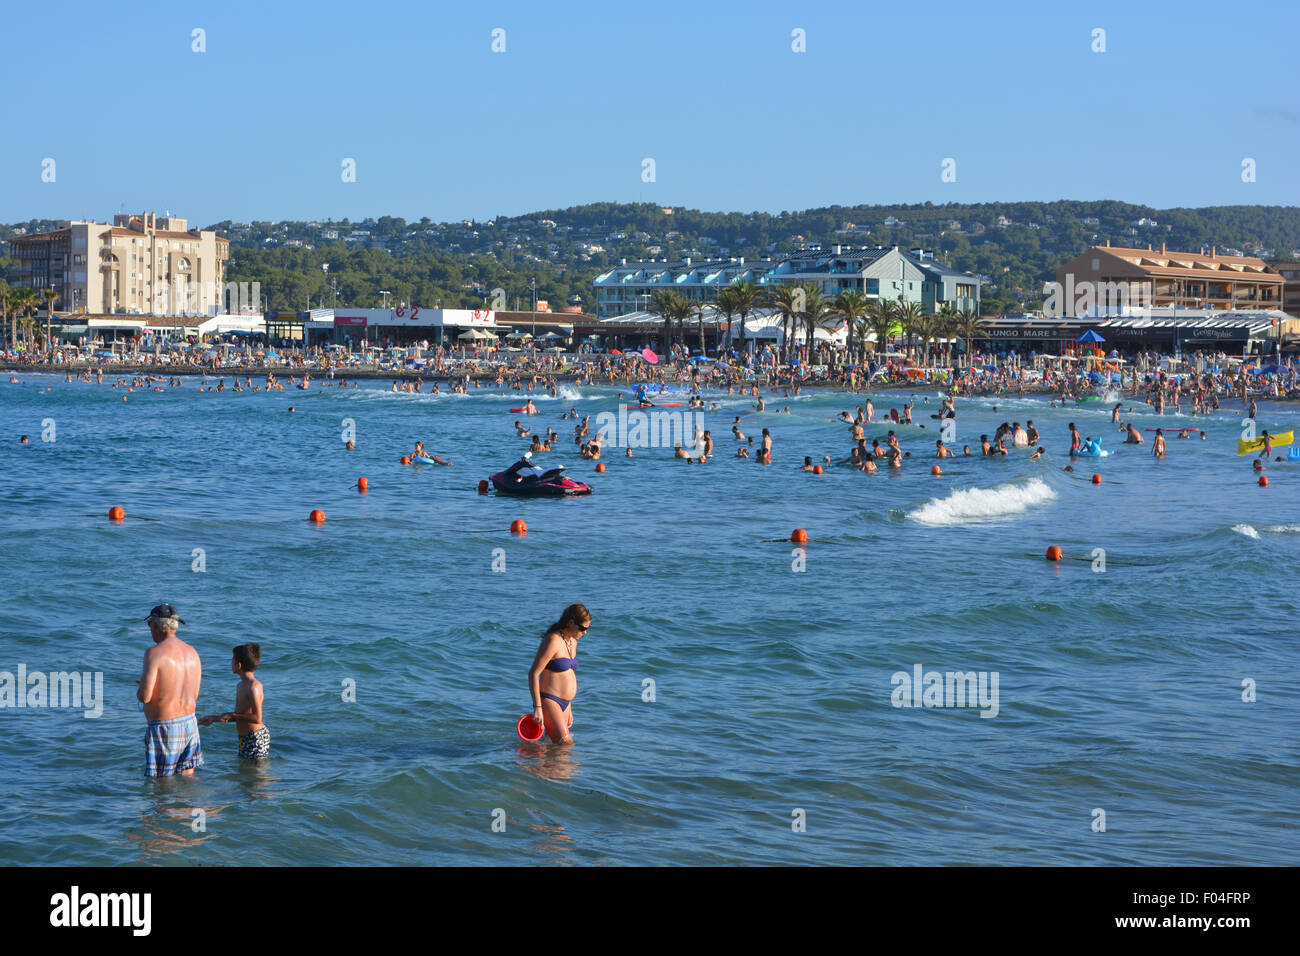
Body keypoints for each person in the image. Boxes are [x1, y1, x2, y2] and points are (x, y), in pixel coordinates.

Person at [138, 604, 204, 778]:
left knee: (163, 789)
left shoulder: (153, 653)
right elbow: (194, 694)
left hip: (164, 728)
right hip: (190, 724)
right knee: (187, 779)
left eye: (150, 626)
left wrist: (141, 686)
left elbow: (145, 696)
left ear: (156, 625)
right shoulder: (192, 652)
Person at [527, 604, 591, 745]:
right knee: (565, 743)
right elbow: (533, 673)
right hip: (550, 700)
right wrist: (537, 707)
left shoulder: (572, 641)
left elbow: (568, 674)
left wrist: (570, 706)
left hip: (565, 704)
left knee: (553, 749)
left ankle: (538, 765)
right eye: (582, 628)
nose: (584, 632)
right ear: (571, 622)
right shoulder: (553, 640)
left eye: (587, 629)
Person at [198, 644, 269, 760]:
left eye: (232, 660)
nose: (231, 663)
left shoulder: (253, 686)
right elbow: (241, 715)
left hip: (256, 737)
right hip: (244, 738)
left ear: (239, 665)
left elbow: (257, 718)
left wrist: (232, 715)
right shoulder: (240, 685)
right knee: (245, 773)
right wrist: (214, 719)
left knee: (256, 775)